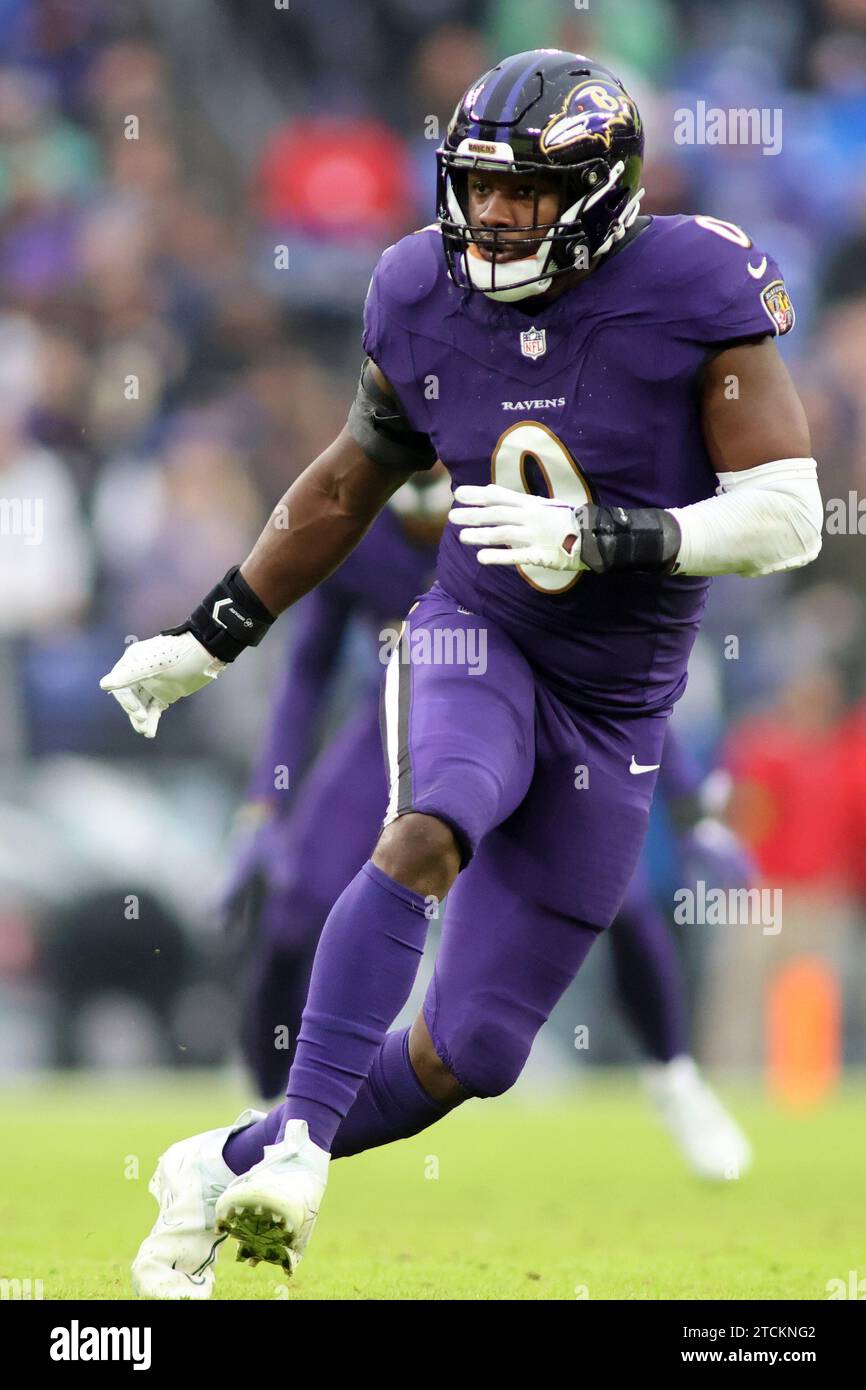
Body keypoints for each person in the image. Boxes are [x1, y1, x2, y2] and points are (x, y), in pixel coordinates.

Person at [100, 51, 822, 1298]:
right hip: (474, 636)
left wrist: (615, 536)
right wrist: (207, 634)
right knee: (432, 821)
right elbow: (344, 481)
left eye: (524, 192)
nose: (491, 214)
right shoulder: (416, 290)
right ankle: (303, 1159)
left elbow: (790, 515)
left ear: (597, 193)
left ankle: (218, 1164)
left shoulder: (695, 278)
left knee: (474, 1050)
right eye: (477, 185)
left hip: (616, 698)